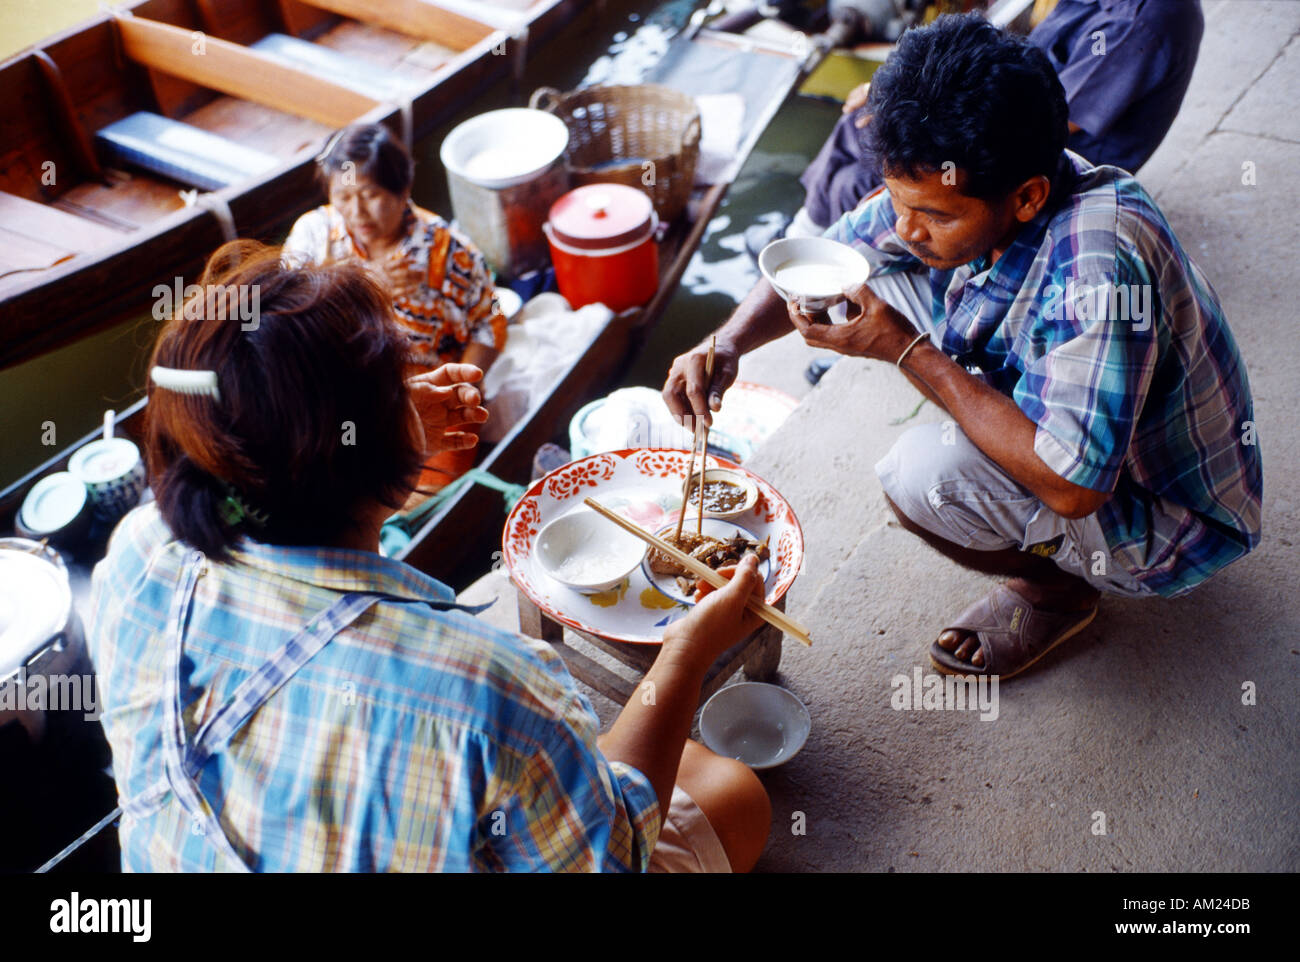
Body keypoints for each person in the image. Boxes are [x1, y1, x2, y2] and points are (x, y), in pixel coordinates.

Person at [88, 240, 770, 872]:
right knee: (730, 791)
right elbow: (613, 855)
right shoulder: (486, 690)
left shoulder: (138, 555)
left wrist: (375, 435)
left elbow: (289, 497)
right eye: (400, 377)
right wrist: (686, 652)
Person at [664, 14, 1261, 680]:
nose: (908, 229)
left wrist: (906, 349)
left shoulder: (1097, 267)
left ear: (1029, 196)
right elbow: (831, 252)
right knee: (874, 273)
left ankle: (1058, 592)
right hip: (1063, 386)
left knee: (922, 478)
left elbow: (1074, 488)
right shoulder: (991, 184)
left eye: (939, 215)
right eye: (898, 200)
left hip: (1166, 517)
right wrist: (728, 343)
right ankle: (985, 406)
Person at [775, 0, 1206, 253]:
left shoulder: (1139, 20)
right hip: (1010, 110)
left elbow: (1045, 115)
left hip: (1042, 146)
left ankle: (832, 270)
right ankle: (807, 232)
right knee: (862, 122)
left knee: (870, 180)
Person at [283, 123, 506, 495]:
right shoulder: (313, 235)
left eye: (370, 195)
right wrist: (367, 283)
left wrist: (458, 392)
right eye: (343, 196)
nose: (356, 212)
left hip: (420, 392)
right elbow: (283, 317)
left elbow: (489, 323)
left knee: (413, 492)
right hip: (334, 388)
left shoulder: (449, 252)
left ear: (403, 189)